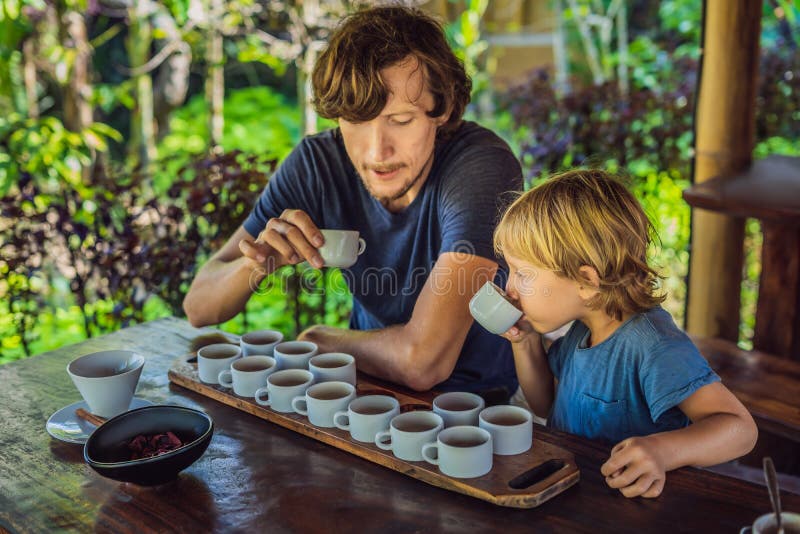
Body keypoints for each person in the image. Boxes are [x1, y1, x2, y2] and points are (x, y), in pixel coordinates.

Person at [183, 6, 522, 398]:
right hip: (359, 387)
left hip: (473, 410)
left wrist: (318, 340)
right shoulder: (317, 164)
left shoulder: (481, 167)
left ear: (441, 110)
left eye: (400, 120)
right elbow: (199, 307)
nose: (378, 151)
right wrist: (257, 262)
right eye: (357, 121)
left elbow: (423, 362)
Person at [493, 169, 758, 498]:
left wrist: (662, 451)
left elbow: (740, 429)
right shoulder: (580, 333)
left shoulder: (652, 345)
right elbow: (546, 404)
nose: (509, 287)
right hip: (579, 495)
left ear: (587, 282)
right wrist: (526, 343)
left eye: (523, 274)